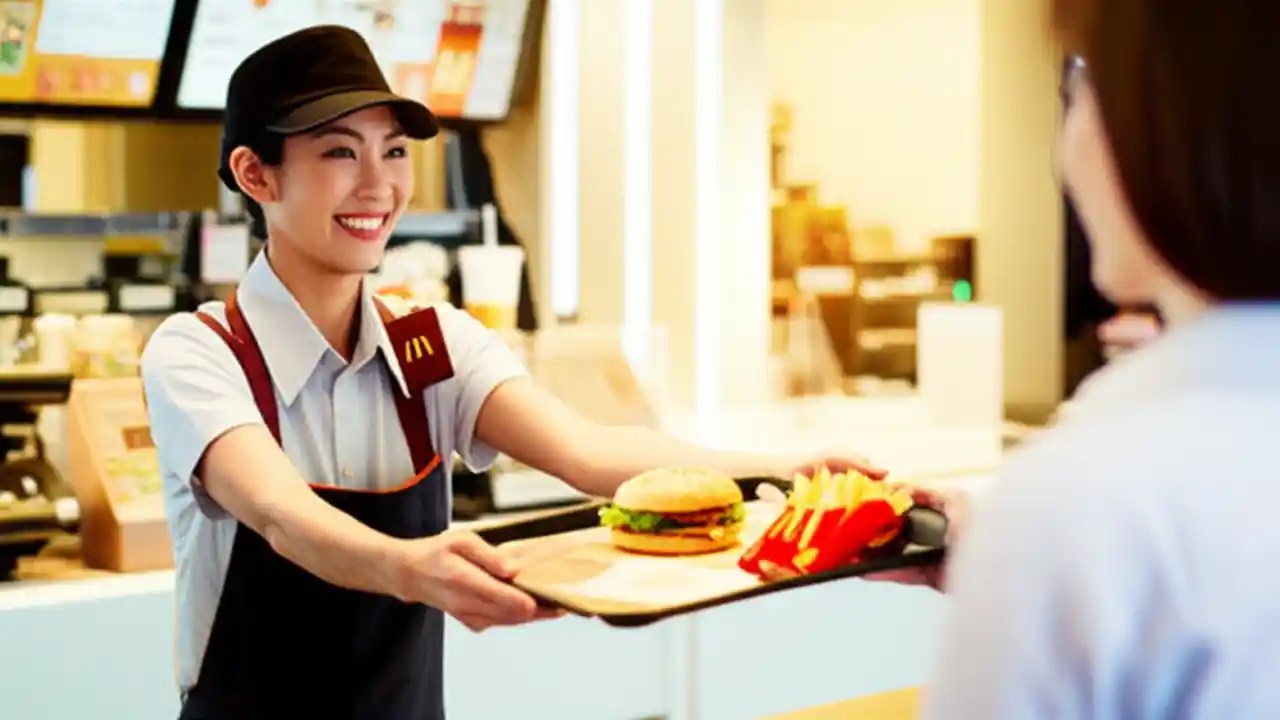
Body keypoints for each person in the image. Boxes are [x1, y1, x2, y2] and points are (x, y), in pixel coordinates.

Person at [140, 26, 871, 720]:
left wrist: (782, 470)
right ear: (254, 174)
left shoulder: (432, 343)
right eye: (339, 153)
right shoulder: (197, 352)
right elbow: (281, 516)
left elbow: (591, 453)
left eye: (393, 153)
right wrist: (412, 568)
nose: (379, 186)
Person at [917, 1, 1280, 717]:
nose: (1068, 143)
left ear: (1173, 125)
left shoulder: (1083, 502)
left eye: (1083, 85)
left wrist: (1036, 566)